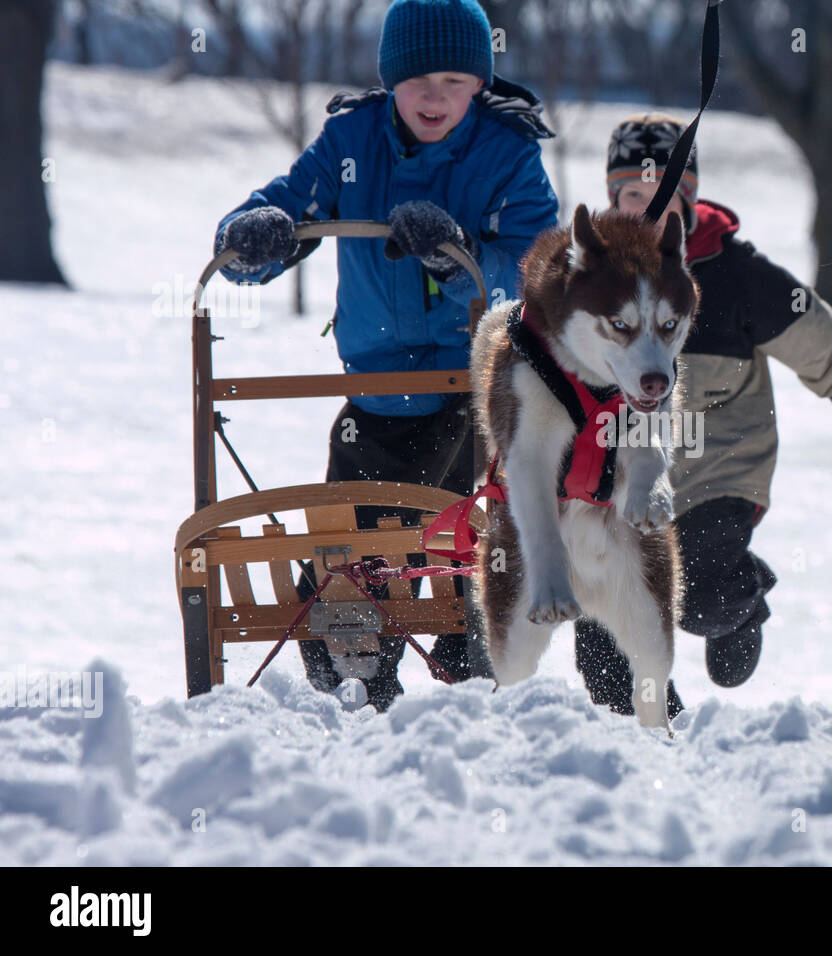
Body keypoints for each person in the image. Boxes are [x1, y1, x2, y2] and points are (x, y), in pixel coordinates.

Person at [211, 0, 559, 711]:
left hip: (476, 391)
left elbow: (542, 269)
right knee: (358, 537)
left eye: (457, 81)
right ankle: (352, 658)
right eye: (419, 79)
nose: (436, 96)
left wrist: (459, 251)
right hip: (377, 393)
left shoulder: (506, 149)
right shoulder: (352, 137)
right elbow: (283, 207)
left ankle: (473, 662)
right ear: (390, 79)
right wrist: (250, 238)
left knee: (461, 532)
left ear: (480, 83)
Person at [576, 114, 832, 719]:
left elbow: (813, 336)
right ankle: (651, 735)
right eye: (632, 197)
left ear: (690, 197)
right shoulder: (590, 282)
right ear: (611, 202)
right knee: (602, 615)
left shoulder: (736, 275)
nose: (647, 213)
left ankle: (743, 598)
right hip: (625, 487)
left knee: (699, 596)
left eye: (664, 197)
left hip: (721, 473)